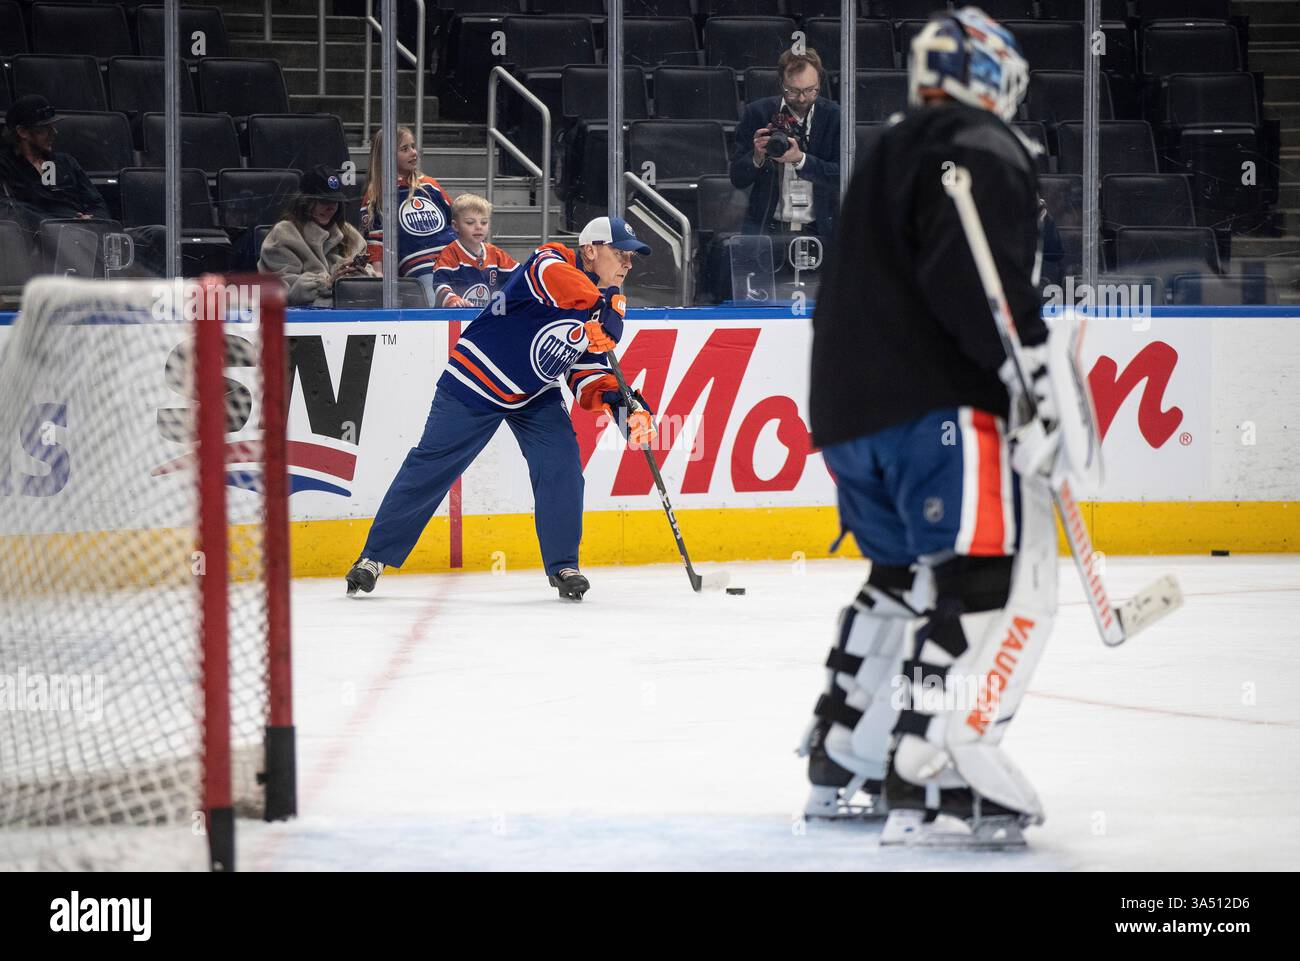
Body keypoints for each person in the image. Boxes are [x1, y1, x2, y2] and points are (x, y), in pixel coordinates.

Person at [797, 8, 1059, 848]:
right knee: (982, 578)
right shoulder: (981, 149)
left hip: (844, 410)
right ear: (986, 76)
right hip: (933, 406)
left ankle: (846, 749)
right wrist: (1035, 379)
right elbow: (976, 284)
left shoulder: (885, 147)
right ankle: (932, 761)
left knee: (901, 574)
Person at [345, 216, 656, 602]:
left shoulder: (599, 305)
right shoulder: (550, 261)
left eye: (632, 257)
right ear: (590, 250)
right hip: (475, 382)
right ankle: (373, 558)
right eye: (620, 253)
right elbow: (561, 285)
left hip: (534, 395)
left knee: (562, 467)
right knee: (431, 466)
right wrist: (607, 304)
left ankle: (564, 566)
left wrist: (621, 406)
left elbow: (587, 367)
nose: (628, 263)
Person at [729, 48, 840, 239]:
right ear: (781, 83)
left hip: (821, 228)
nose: (802, 98)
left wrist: (801, 160)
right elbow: (737, 178)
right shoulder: (757, 113)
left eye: (810, 90)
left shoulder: (835, 116)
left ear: (820, 82)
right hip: (766, 228)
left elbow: (843, 176)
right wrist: (756, 157)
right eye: (794, 91)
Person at [360, 125, 457, 305]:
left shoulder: (429, 185)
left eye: (413, 146)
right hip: (421, 269)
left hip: (454, 260)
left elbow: (456, 220)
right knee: (435, 300)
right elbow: (375, 244)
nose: (413, 152)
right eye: (405, 149)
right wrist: (378, 274)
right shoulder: (376, 197)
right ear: (386, 156)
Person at [258, 164, 373, 306]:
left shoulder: (348, 234)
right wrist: (328, 283)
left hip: (348, 311)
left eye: (334, 202)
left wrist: (356, 275)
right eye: (323, 201)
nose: (330, 208)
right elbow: (281, 289)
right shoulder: (283, 234)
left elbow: (371, 276)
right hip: (302, 321)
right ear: (305, 201)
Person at [0, 95, 108, 230]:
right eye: (45, 129)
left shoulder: (65, 162)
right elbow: (8, 209)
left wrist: (92, 219)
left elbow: (96, 202)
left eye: (53, 126)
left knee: (141, 236)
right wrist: (60, 225)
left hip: (87, 234)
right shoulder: (6, 166)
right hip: (45, 240)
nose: (54, 132)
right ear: (23, 132)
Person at [429, 193, 519, 308]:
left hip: (483, 319)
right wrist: (453, 300)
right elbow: (440, 285)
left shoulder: (496, 254)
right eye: (470, 222)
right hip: (451, 319)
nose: (478, 227)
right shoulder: (450, 254)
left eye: (484, 222)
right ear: (455, 226)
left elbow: (520, 277)